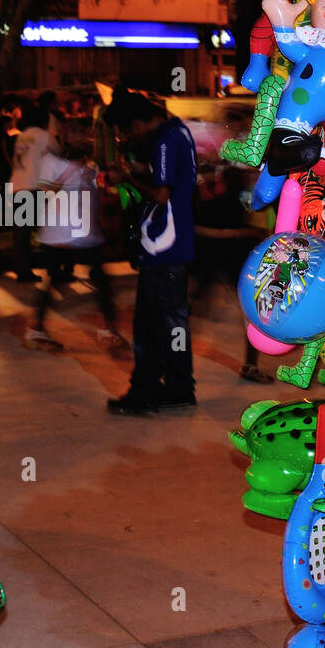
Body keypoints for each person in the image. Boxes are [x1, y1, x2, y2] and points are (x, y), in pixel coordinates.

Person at [103, 89, 198, 414]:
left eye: (128, 129)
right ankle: (179, 388)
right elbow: (171, 178)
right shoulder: (178, 131)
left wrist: (129, 176)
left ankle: (145, 391)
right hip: (175, 246)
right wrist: (138, 172)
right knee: (172, 324)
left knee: (147, 326)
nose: (129, 136)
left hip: (162, 246)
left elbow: (161, 194)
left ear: (139, 121)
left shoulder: (163, 141)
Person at [24, 143, 126, 353]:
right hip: (58, 234)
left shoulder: (90, 167)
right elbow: (46, 189)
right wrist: (70, 170)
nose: (79, 137)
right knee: (54, 281)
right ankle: (35, 330)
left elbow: (105, 186)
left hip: (84, 235)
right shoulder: (50, 161)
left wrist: (115, 176)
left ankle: (109, 330)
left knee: (100, 280)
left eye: (81, 133)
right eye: (74, 132)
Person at [9, 107, 59, 283]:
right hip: (35, 187)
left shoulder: (22, 137)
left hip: (17, 186)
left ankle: (22, 271)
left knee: (22, 234)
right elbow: (58, 153)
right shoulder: (44, 136)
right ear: (45, 122)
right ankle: (54, 268)